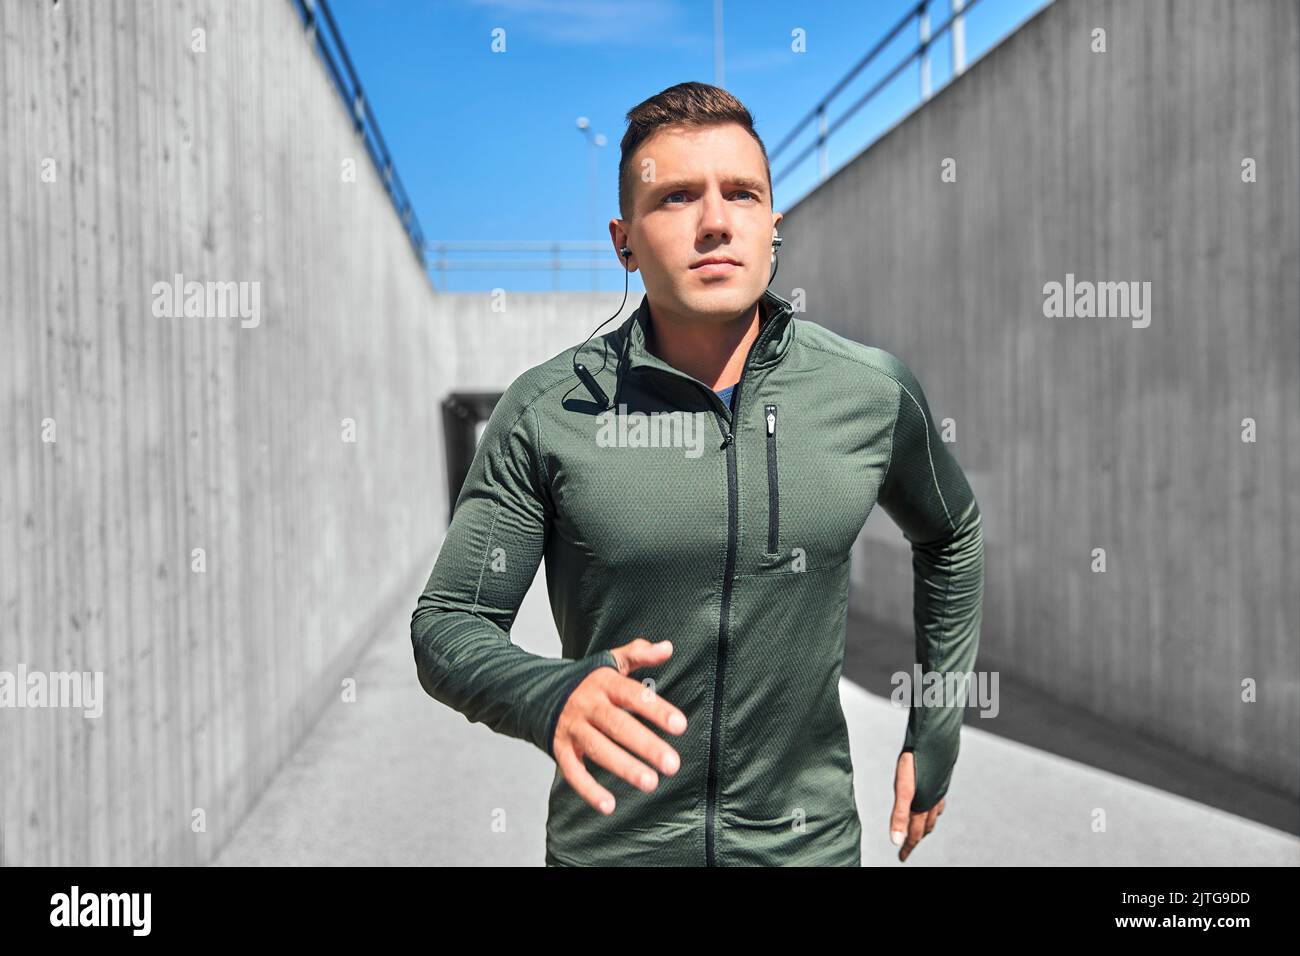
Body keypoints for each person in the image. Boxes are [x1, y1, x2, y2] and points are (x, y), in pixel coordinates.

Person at [410, 81, 984, 866]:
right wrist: (550, 694)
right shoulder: (549, 412)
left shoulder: (871, 394)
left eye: (742, 194)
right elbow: (448, 623)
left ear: (773, 225)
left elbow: (953, 533)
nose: (716, 222)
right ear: (624, 239)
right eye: (677, 197)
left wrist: (938, 722)